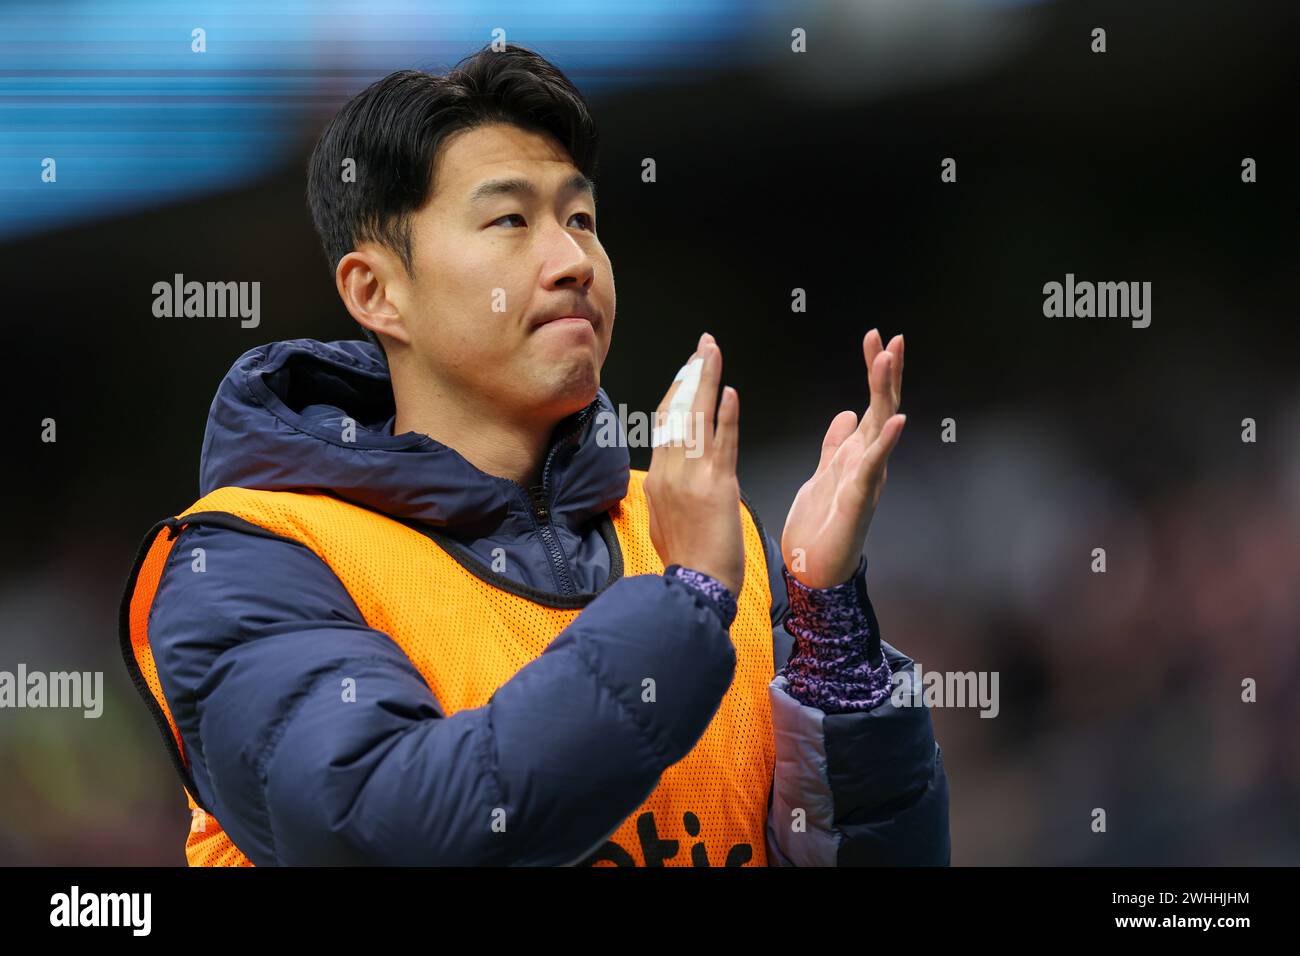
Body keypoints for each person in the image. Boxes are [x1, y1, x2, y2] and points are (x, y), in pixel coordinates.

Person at [120, 43, 949, 866]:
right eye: (510, 220)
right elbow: (388, 828)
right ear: (376, 291)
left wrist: (825, 621)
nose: (573, 262)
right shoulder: (247, 560)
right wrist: (687, 600)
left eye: (581, 219)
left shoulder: (701, 530)